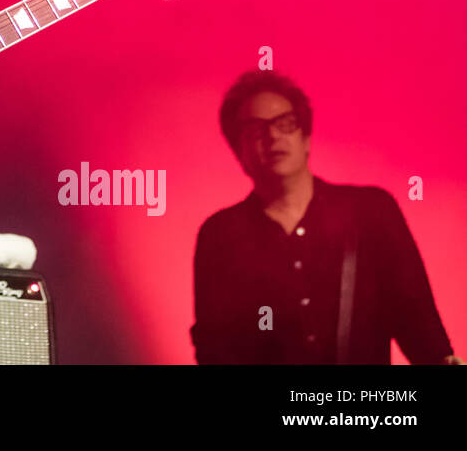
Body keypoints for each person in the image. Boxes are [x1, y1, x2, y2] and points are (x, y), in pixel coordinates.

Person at [191, 69, 460, 364]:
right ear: (238, 150)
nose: (273, 135)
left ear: (306, 138)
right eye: (256, 129)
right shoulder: (221, 235)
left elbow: (415, 316)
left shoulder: (371, 211)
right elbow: (215, 347)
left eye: (286, 123)